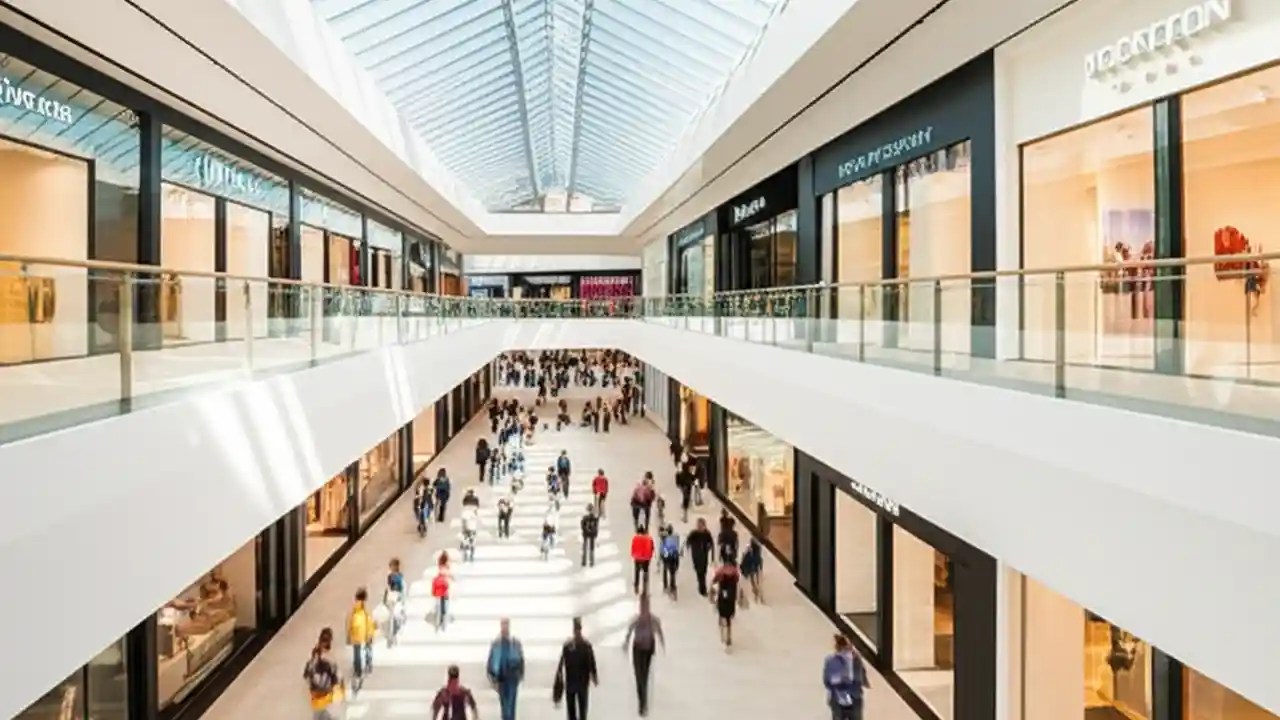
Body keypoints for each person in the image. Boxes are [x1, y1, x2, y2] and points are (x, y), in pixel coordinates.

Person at [622, 594, 665, 717]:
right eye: (642, 605)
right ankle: (642, 701)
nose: (643, 608)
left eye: (645, 605)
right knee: (638, 676)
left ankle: (643, 702)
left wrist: (662, 644)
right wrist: (626, 643)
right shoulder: (636, 620)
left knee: (644, 676)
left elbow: (659, 631)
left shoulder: (653, 620)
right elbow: (629, 631)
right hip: (638, 649)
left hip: (648, 650)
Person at [556, 617, 599, 720]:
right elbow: (562, 662)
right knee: (573, 711)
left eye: (578, 629)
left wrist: (594, 675)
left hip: (580, 682)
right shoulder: (569, 646)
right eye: (576, 629)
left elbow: (591, 662)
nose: (577, 632)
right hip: (573, 682)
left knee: (581, 709)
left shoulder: (585, 646)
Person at [824, 634, 870, 720]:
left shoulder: (856, 658)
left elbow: (860, 675)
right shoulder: (832, 660)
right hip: (842, 698)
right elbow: (827, 681)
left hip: (850, 698)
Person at [486, 618, 525, 720]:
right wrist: (491, 677)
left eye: (506, 625)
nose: (504, 627)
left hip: (512, 676)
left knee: (511, 703)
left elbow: (521, 659)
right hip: (500, 676)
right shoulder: (496, 643)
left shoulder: (515, 643)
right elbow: (491, 660)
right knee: (504, 704)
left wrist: (520, 674)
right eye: (503, 625)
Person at [304, 627, 343, 719]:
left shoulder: (313, 658)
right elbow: (337, 677)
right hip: (327, 697)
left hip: (316, 698)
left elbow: (306, 676)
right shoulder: (330, 659)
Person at [346, 588, 376, 691]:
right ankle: (368, 664)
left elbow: (350, 621)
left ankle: (357, 670)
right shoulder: (366, 608)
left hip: (356, 633)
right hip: (365, 632)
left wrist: (348, 635)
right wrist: (371, 633)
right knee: (368, 649)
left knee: (357, 653)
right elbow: (370, 621)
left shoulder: (354, 609)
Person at [710, 554, 742, 649]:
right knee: (728, 618)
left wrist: (711, 591)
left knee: (721, 614)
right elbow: (737, 581)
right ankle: (729, 636)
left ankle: (722, 634)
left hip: (722, 596)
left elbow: (714, 581)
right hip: (731, 597)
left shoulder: (720, 571)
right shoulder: (735, 572)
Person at [685, 518, 714, 597]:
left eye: (701, 525)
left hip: (704, 556)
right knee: (699, 572)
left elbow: (711, 543)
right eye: (698, 525)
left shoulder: (707, 533)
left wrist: (708, 548)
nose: (699, 527)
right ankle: (702, 588)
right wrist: (688, 546)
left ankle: (702, 588)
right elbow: (688, 540)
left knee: (703, 573)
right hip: (696, 556)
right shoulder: (694, 533)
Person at [384, 558, 406, 647]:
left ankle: (393, 636)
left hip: (396, 597)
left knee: (395, 617)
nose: (391, 568)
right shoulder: (392, 576)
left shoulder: (397, 576)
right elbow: (388, 588)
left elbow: (400, 588)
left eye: (392, 566)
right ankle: (392, 637)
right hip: (392, 597)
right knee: (392, 618)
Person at [630, 524, 654, 596]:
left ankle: (636, 585)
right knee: (645, 572)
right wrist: (650, 556)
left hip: (637, 557)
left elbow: (633, 547)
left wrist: (634, 555)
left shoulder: (635, 538)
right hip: (646, 558)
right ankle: (645, 588)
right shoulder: (648, 538)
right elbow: (651, 548)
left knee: (636, 572)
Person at [659, 524, 682, 600]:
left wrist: (662, 557)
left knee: (665, 571)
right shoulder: (675, 538)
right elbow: (677, 549)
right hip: (673, 558)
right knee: (672, 573)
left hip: (667, 558)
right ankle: (672, 587)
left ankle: (666, 586)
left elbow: (662, 549)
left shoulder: (664, 538)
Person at [741, 538, 765, 604]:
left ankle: (757, 594)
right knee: (756, 581)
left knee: (752, 581)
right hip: (755, 566)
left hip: (751, 566)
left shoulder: (749, 549)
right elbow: (760, 559)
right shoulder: (757, 549)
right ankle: (760, 597)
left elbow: (745, 557)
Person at [431, 557, 451, 632]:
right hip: (444, 595)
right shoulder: (444, 577)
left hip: (438, 595)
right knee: (444, 610)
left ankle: (437, 624)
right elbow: (447, 586)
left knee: (438, 610)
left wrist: (434, 593)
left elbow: (433, 587)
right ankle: (443, 625)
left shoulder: (436, 579)